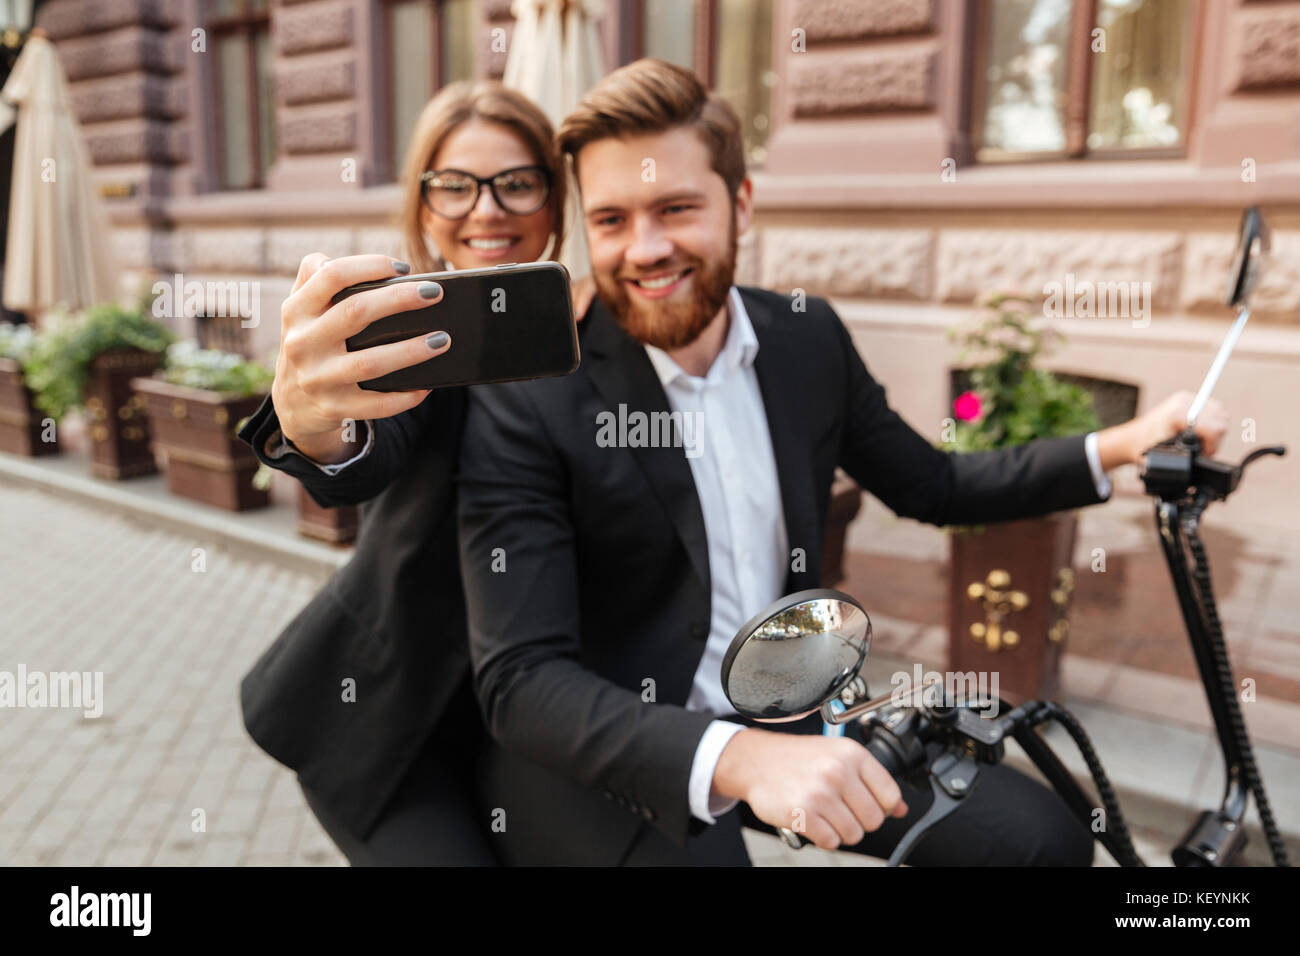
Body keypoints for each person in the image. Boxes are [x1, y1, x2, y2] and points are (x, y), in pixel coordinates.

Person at [455, 58, 1231, 866]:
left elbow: (933, 483)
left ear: (741, 204)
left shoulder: (804, 338)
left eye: (676, 208)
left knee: (1042, 844)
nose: (644, 249)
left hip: (791, 706)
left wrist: (1122, 443)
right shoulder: (534, 390)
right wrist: (740, 759)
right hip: (627, 751)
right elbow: (521, 682)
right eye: (611, 219)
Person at [236, 81, 591, 865]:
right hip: (383, 722)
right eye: (455, 185)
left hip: (534, 731)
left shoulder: (598, 344)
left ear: (555, 198)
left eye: (517, 182)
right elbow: (359, 454)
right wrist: (310, 420)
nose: (486, 210)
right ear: (424, 205)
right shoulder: (405, 339)